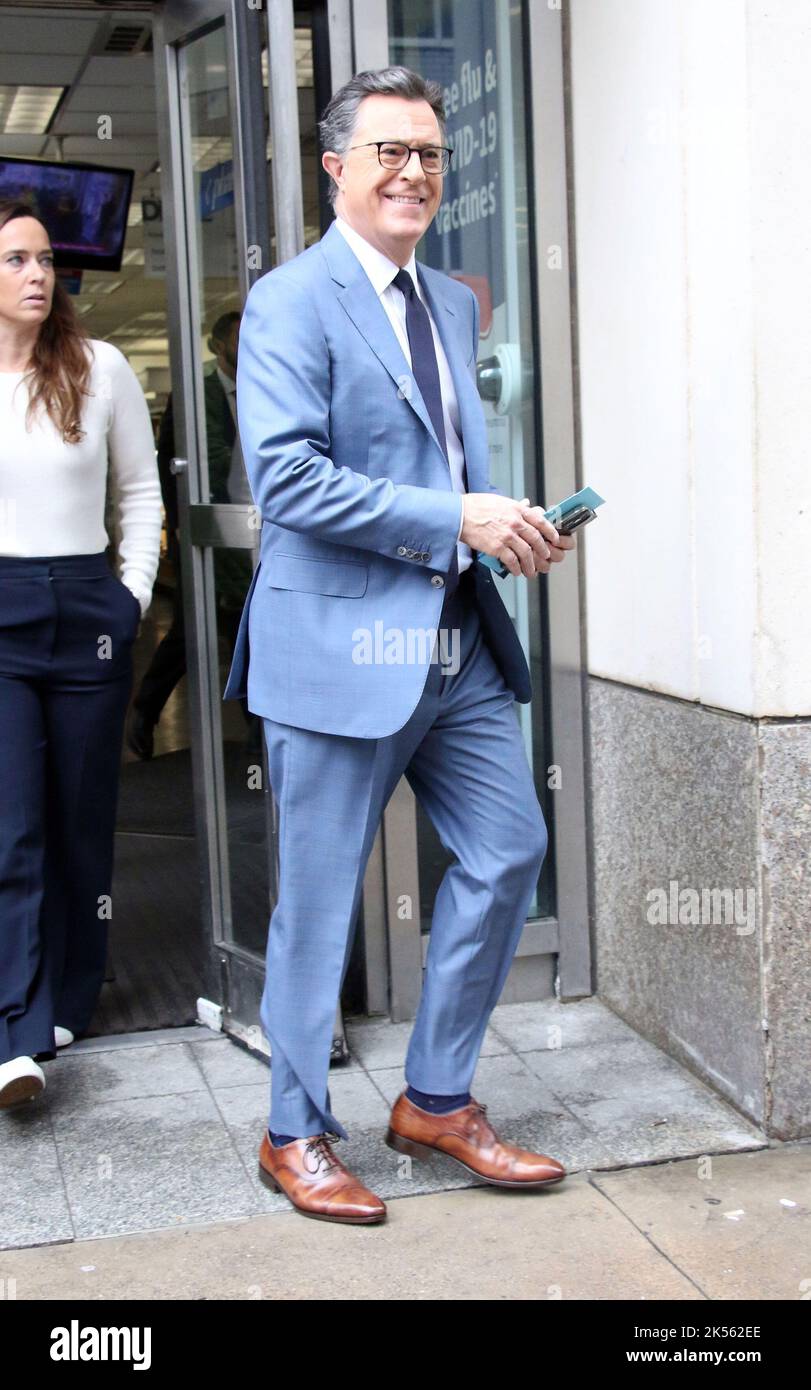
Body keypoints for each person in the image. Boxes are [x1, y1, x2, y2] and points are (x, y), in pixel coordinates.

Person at [224, 67, 577, 1224]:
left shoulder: (454, 304)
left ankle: (433, 1096)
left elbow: (443, 466)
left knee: (509, 848)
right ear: (336, 168)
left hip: (453, 638)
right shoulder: (289, 300)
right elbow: (288, 480)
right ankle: (291, 1131)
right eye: (390, 151)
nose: (414, 171)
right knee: (319, 899)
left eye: (429, 152)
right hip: (338, 641)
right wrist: (453, 518)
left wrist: (507, 524)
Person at [0, 199, 161, 1107]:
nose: (37, 274)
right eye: (16, 259)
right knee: (13, 824)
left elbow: (140, 493)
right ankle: (15, 1030)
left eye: (44, 259)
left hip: (86, 603)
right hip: (3, 610)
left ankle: (69, 996)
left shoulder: (99, 368)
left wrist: (129, 596)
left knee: (80, 817)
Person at [127, 310, 253, 758]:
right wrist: (180, 526)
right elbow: (176, 463)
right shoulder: (198, 394)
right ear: (218, 347)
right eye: (239, 337)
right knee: (201, 629)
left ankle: (258, 737)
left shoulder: (263, 386)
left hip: (248, 530)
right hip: (209, 529)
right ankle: (145, 711)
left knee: (234, 627)